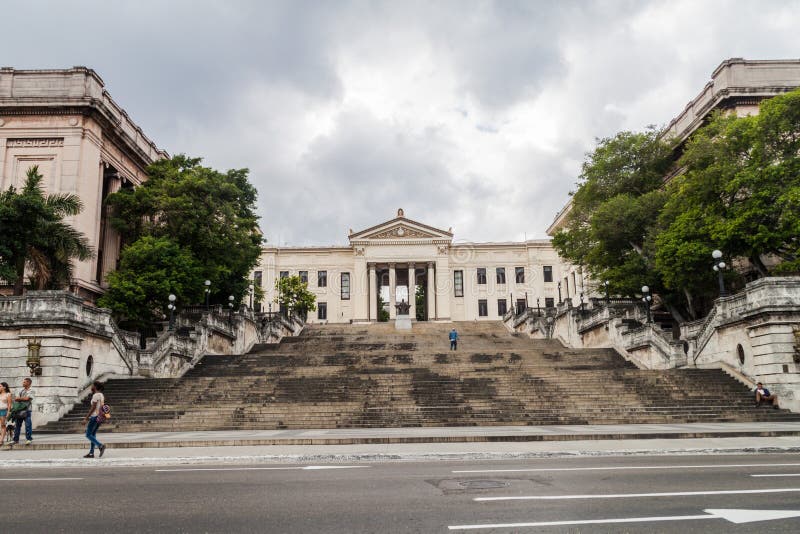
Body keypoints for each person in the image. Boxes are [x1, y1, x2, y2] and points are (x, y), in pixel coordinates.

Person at [83, 381, 107, 458]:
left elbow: (93, 407)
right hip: (100, 417)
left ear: (95, 387)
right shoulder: (101, 395)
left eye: (92, 385)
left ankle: (100, 445)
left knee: (88, 434)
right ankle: (91, 453)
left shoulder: (95, 395)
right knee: (93, 434)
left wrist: (86, 418)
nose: (91, 387)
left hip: (95, 417)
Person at [12, 377, 34, 445]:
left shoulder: (31, 390)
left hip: (27, 410)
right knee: (17, 425)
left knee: (28, 425)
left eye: (24, 382)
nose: (23, 383)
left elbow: (28, 398)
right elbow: (16, 399)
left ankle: (29, 439)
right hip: (19, 410)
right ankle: (15, 440)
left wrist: (20, 398)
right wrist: (21, 399)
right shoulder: (21, 391)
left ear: (28, 383)